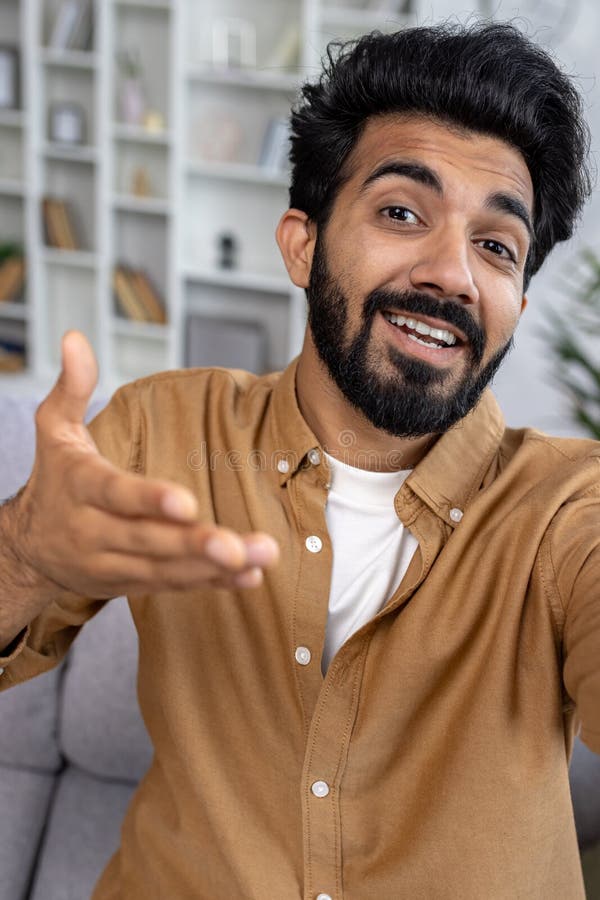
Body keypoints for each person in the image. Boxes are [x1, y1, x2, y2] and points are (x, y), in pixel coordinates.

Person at [0, 20, 598, 900]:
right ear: (301, 245)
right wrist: (22, 550)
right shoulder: (160, 433)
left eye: (496, 246)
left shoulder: (568, 510)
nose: (453, 273)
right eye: (402, 212)